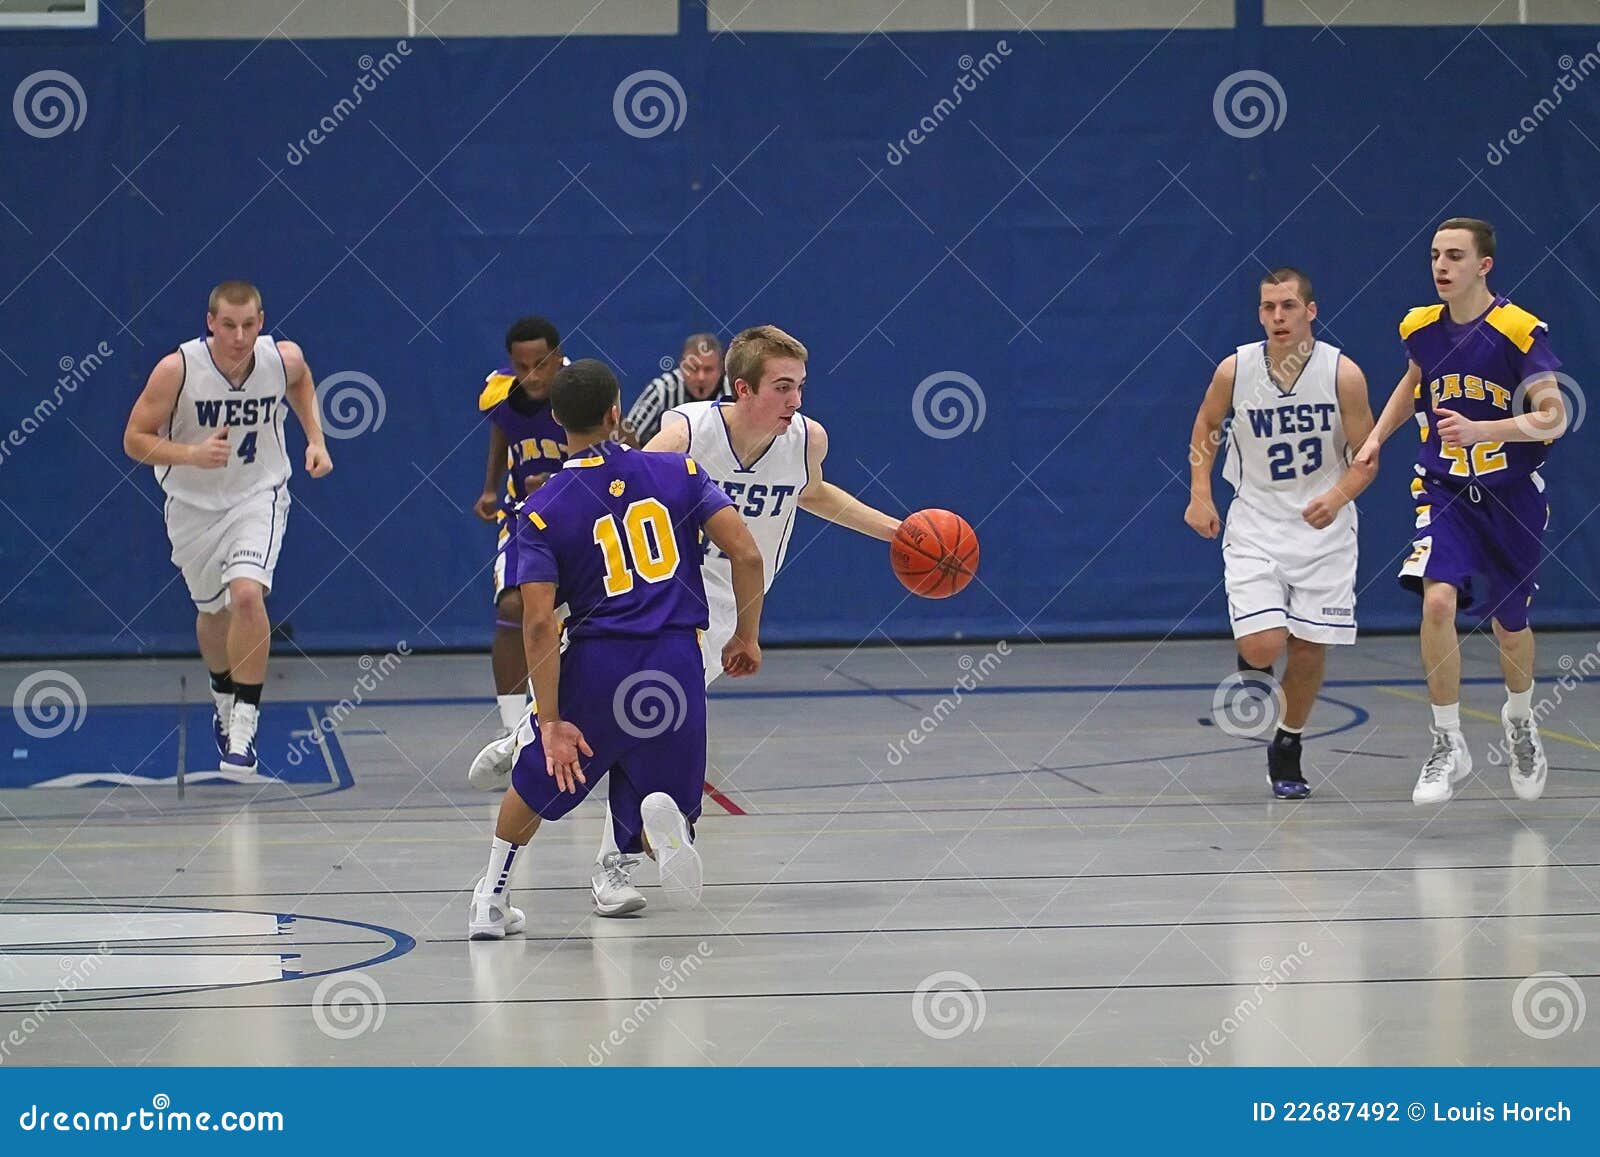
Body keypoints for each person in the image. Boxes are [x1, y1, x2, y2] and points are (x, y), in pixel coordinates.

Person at [468, 324, 906, 916]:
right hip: (669, 603)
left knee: (622, 722)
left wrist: (898, 533)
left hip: (725, 614)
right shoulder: (688, 430)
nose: (797, 399)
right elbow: (616, 492)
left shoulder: (806, 440)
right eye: (783, 387)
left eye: (801, 386)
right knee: (633, 728)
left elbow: (816, 493)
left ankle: (535, 749)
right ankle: (610, 861)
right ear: (743, 388)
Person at [467, 359, 765, 938]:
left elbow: (535, 625)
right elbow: (747, 554)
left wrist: (549, 720)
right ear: (616, 413)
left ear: (556, 420)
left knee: (535, 781)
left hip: (599, 662)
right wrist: (745, 636)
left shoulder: (543, 506)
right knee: (659, 782)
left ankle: (491, 899)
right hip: (676, 661)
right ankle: (662, 828)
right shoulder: (679, 471)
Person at [1354, 218, 1567, 805]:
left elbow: (1555, 414)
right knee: (1438, 597)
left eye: (1454, 256)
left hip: (1512, 494)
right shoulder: (1420, 327)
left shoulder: (1517, 330)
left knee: (1510, 625)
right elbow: (1414, 382)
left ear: (1483, 266)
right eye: (1434, 255)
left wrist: (1484, 429)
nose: (1441, 266)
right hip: (1445, 488)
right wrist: (1376, 437)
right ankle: (1447, 741)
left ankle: (1520, 719)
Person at [122, 280, 332, 773]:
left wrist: (315, 440)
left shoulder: (281, 358)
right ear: (211, 323)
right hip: (192, 504)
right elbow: (134, 439)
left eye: (249, 325)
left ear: (261, 322)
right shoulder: (178, 368)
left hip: (259, 495)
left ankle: (245, 720)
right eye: (229, 325)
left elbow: (300, 381)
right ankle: (222, 693)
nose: (239, 336)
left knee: (245, 595)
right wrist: (191, 454)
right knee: (213, 613)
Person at [1186, 268, 1375, 799]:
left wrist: (1337, 498)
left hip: (1325, 524)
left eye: (1288, 306)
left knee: (1310, 647)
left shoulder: (1344, 374)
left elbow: (1366, 457)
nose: (1278, 317)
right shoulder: (1235, 369)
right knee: (1266, 644)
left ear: (1310, 311)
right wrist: (1200, 492)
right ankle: (1253, 657)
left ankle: (1288, 743)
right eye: (1269, 307)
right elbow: (1206, 425)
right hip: (1257, 521)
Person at [470, 316, 568, 754]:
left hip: (580, 516)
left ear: (558, 357)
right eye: (522, 364)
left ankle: (565, 719)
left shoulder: (580, 389)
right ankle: (511, 729)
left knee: (575, 620)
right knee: (512, 607)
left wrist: (560, 483)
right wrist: (490, 487)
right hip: (522, 518)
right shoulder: (501, 394)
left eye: (541, 363)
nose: (533, 374)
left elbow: (613, 444)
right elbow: (501, 431)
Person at [620, 332, 726, 447]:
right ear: (682, 366)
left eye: (708, 369)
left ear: (721, 368)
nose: (701, 377)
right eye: (693, 368)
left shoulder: (733, 391)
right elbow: (628, 438)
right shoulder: (662, 389)